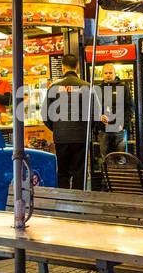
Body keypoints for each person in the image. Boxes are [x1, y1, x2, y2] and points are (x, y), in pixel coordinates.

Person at [41, 53, 99, 190]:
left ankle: (64, 203)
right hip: (81, 137)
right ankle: (78, 204)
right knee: (80, 172)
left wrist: (56, 128)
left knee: (62, 173)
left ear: (62, 68)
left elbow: (45, 114)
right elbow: (96, 114)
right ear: (77, 67)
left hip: (61, 138)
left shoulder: (53, 88)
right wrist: (88, 129)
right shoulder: (87, 87)